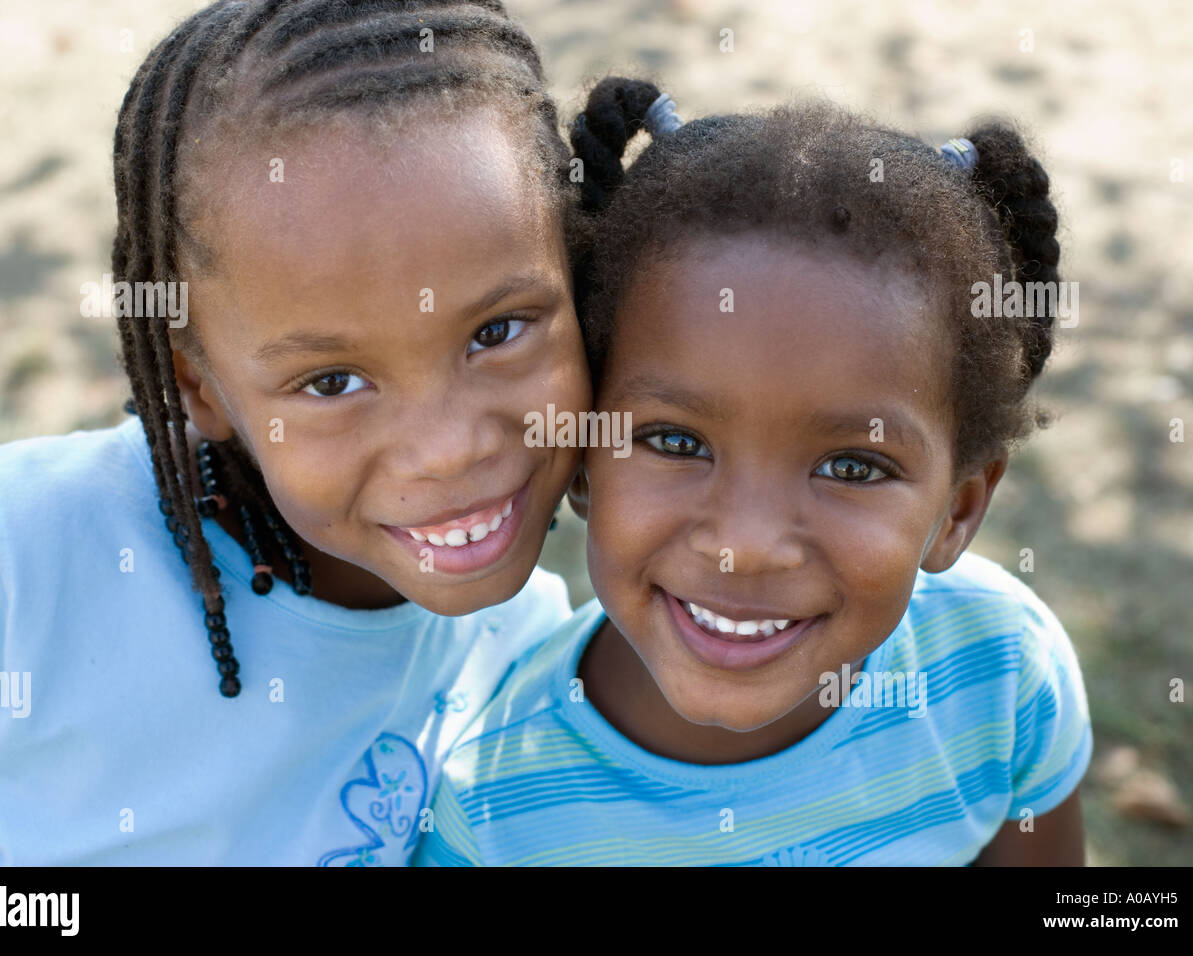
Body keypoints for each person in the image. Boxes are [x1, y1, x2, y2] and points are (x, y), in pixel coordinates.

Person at [0, 0, 590, 866]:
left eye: (497, 332)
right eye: (331, 382)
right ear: (198, 385)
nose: (449, 448)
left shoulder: (523, 662)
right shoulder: (13, 553)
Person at [415, 78, 1092, 866]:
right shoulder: (492, 806)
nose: (748, 542)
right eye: (675, 443)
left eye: (852, 465)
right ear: (582, 460)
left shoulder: (1000, 674)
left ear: (958, 510)